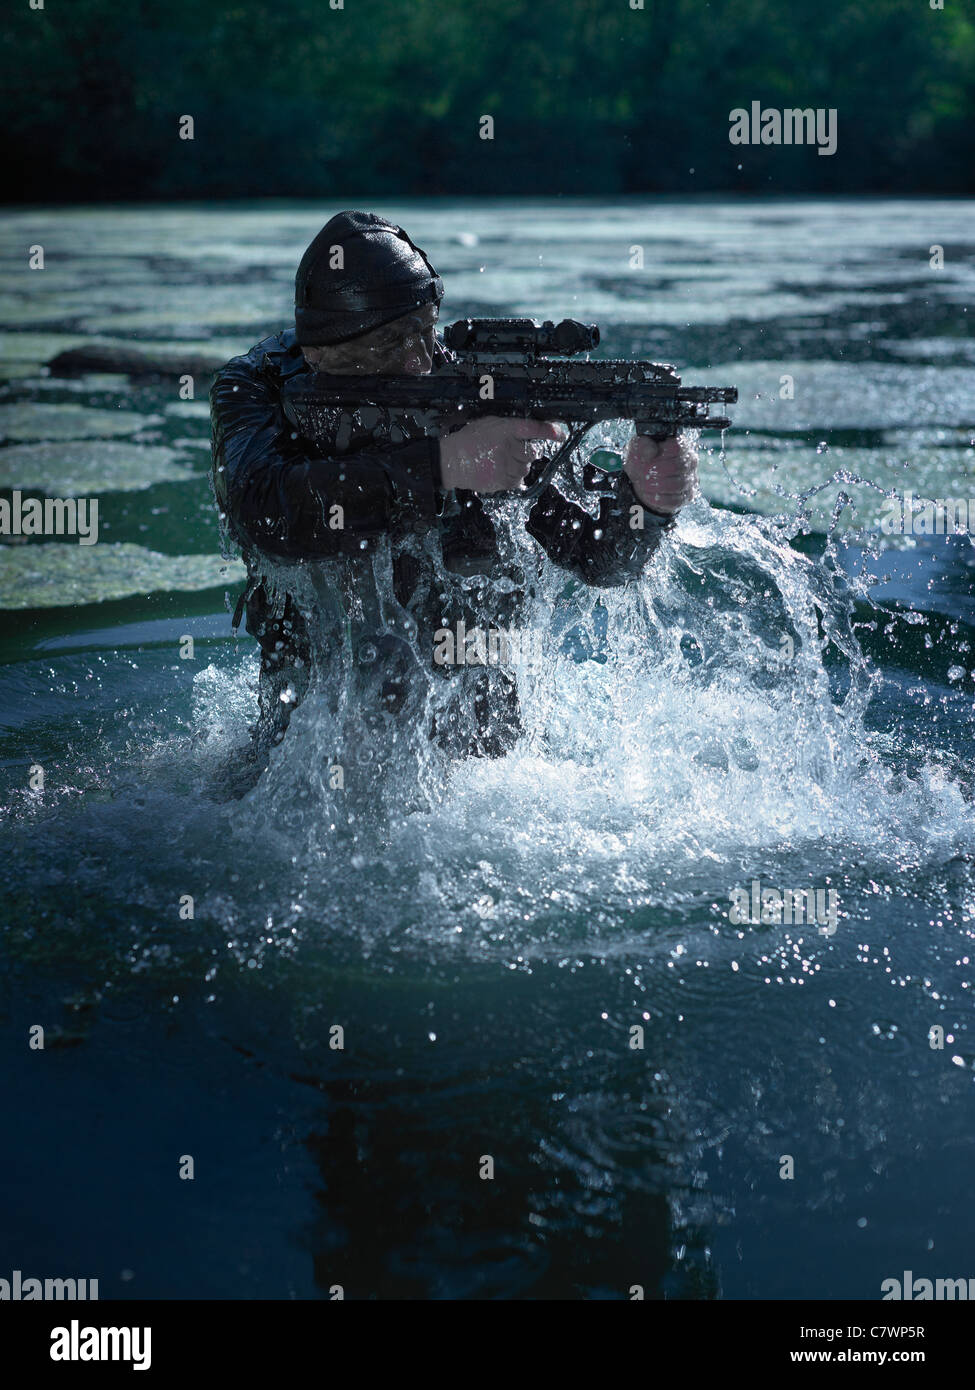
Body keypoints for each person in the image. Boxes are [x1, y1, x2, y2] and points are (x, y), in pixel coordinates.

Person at [210, 211, 697, 779]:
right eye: (390, 343)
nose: (419, 362)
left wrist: (649, 502)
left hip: (481, 758)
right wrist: (445, 463)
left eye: (425, 329)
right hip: (310, 727)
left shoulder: (469, 386)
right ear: (320, 352)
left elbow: (600, 557)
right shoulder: (260, 385)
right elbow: (262, 509)